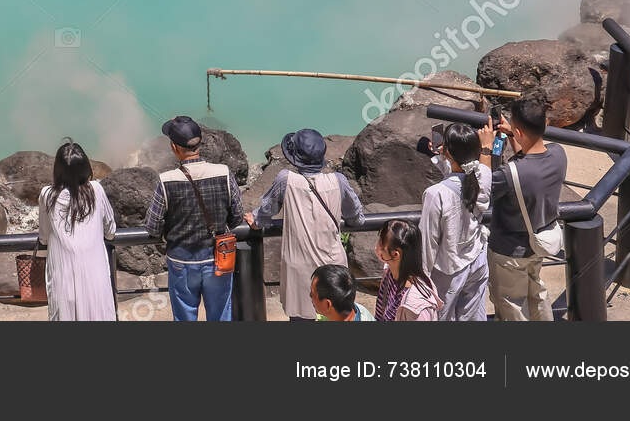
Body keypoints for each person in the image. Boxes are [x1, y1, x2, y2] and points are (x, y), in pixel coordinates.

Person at [250, 128, 362, 320]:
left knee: (300, 318)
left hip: (299, 269)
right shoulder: (338, 180)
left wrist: (256, 220)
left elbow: (265, 213)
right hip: (334, 267)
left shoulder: (286, 179)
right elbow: (357, 217)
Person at [144, 114, 248, 321]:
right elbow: (237, 217)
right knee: (220, 315)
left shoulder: (166, 181)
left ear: (174, 147)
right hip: (217, 259)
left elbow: (153, 226)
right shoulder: (224, 173)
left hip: (181, 261)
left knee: (184, 317)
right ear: (200, 142)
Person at [477, 91, 566, 320]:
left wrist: (486, 149)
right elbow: (528, 166)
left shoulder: (508, 174)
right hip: (538, 244)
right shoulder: (559, 154)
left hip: (509, 252)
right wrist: (512, 136)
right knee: (537, 295)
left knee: (511, 307)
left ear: (519, 131)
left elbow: (481, 188)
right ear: (545, 123)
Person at [37, 140, 117, 320]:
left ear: (58, 170)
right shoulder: (96, 189)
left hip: (62, 276)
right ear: (85, 167)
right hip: (95, 275)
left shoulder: (47, 195)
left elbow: (44, 237)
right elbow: (110, 229)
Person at [420, 122, 490, 320]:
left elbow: (428, 244)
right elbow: (462, 179)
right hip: (477, 260)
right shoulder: (483, 175)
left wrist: (421, 280)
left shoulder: (435, 194)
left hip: (449, 271)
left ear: (449, 153)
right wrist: (444, 156)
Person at [374, 219, 441, 321]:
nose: (377, 244)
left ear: (395, 255)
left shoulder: (418, 309)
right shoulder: (390, 273)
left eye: (381, 241)